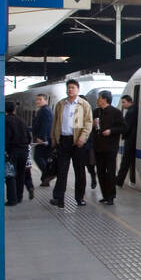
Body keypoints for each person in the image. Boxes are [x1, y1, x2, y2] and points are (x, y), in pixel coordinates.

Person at [49, 79, 93, 207]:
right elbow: (55, 122)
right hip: (63, 140)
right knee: (62, 170)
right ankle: (59, 198)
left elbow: (88, 123)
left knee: (79, 171)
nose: (70, 90)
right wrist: (54, 139)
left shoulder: (83, 105)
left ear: (78, 89)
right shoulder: (61, 104)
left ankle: (79, 198)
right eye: (68, 88)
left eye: (72, 87)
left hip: (78, 142)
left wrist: (82, 138)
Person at [92, 91, 126, 205]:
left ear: (105, 99)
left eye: (99, 98)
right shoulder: (96, 112)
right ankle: (105, 195)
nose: (97, 100)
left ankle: (111, 196)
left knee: (110, 171)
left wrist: (111, 131)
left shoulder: (116, 112)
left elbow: (123, 127)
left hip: (110, 147)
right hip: (98, 146)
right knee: (100, 171)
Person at [4, 101, 31, 207]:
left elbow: (6, 137)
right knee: (21, 174)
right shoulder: (22, 120)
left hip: (12, 151)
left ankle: (12, 199)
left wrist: (5, 150)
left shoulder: (6, 121)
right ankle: (19, 197)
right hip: (24, 151)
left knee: (10, 175)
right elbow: (29, 137)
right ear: (14, 109)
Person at [32, 93, 53, 186]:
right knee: (43, 158)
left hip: (43, 140)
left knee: (38, 157)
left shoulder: (45, 111)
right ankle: (45, 179)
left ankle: (48, 174)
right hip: (44, 139)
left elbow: (46, 125)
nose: (38, 101)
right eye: (37, 99)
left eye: (40, 99)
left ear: (46, 100)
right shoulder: (43, 110)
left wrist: (42, 138)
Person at [115, 94, 137, 186]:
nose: (123, 105)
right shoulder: (135, 110)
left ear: (129, 102)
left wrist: (120, 132)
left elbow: (126, 127)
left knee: (125, 160)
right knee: (128, 160)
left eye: (124, 102)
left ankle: (119, 180)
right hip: (133, 139)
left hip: (130, 139)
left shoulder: (131, 112)